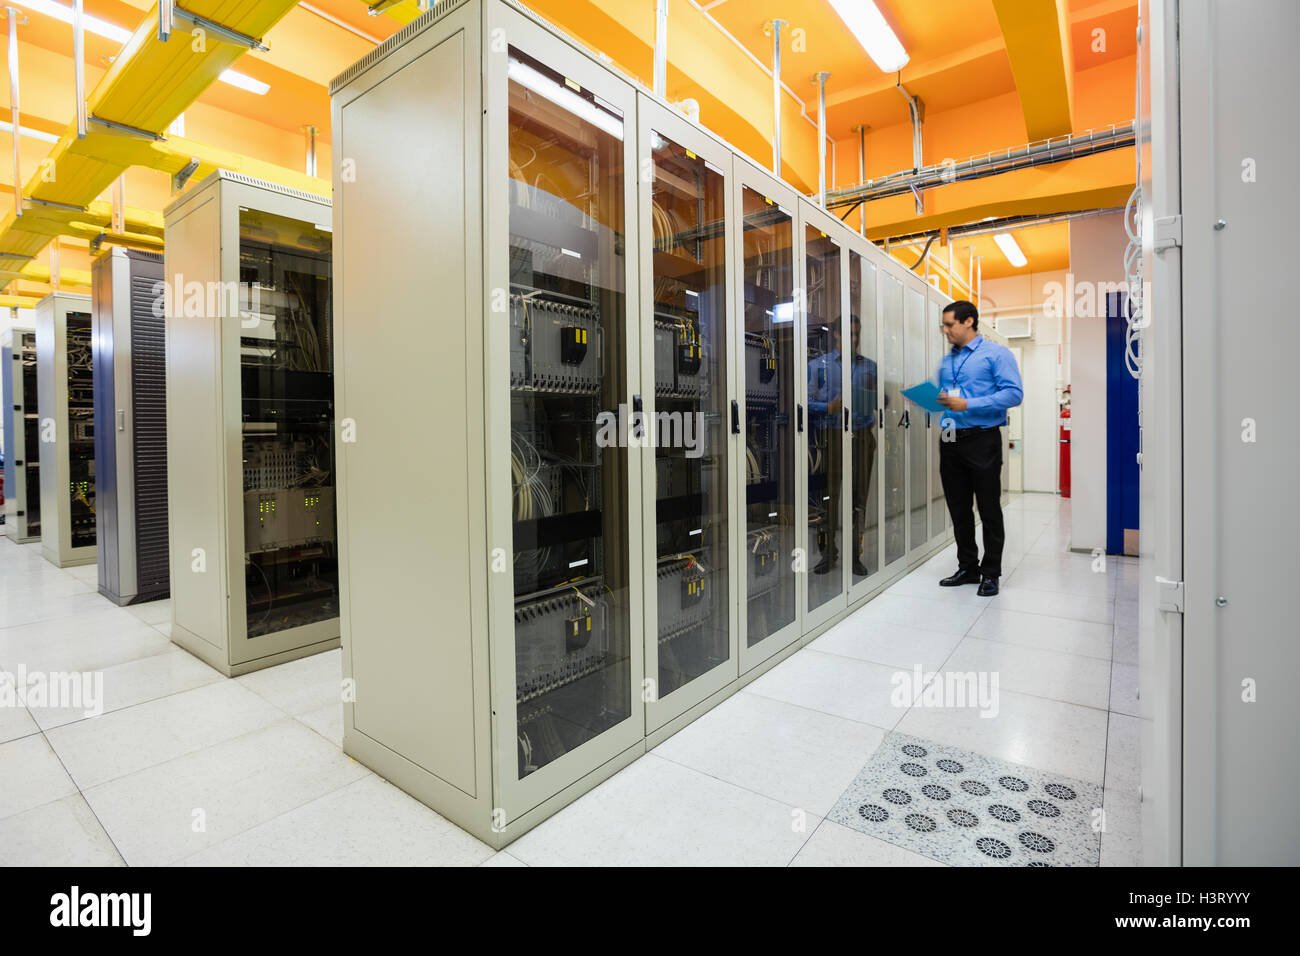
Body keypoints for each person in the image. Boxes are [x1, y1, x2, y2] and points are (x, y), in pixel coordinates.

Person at [934, 300, 1023, 596]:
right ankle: (968, 567)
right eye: (944, 325)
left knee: (988, 508)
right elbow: (951, 396)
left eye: (949, 324)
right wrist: (939, 399)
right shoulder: (948, 361)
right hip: (949, 438)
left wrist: (968, 404)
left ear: (969, 321)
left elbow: (1013, 393)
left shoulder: (996, 354)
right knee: (958, 508)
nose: (944, 330)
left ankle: (991, 572)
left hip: (982, 438)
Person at [807, 315, 879, 577]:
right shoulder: (818, 366)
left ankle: (854, 555)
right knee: (831, 498)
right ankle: (828, 553)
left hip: (862, 436)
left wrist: (877, 399)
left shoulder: (870, 367)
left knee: (859, 498)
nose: (855, 338)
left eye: (857, 333)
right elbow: (804, 401)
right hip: (833, 437)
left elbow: (880, 401)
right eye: (849, 333)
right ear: (836, 334)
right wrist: (828, 407)